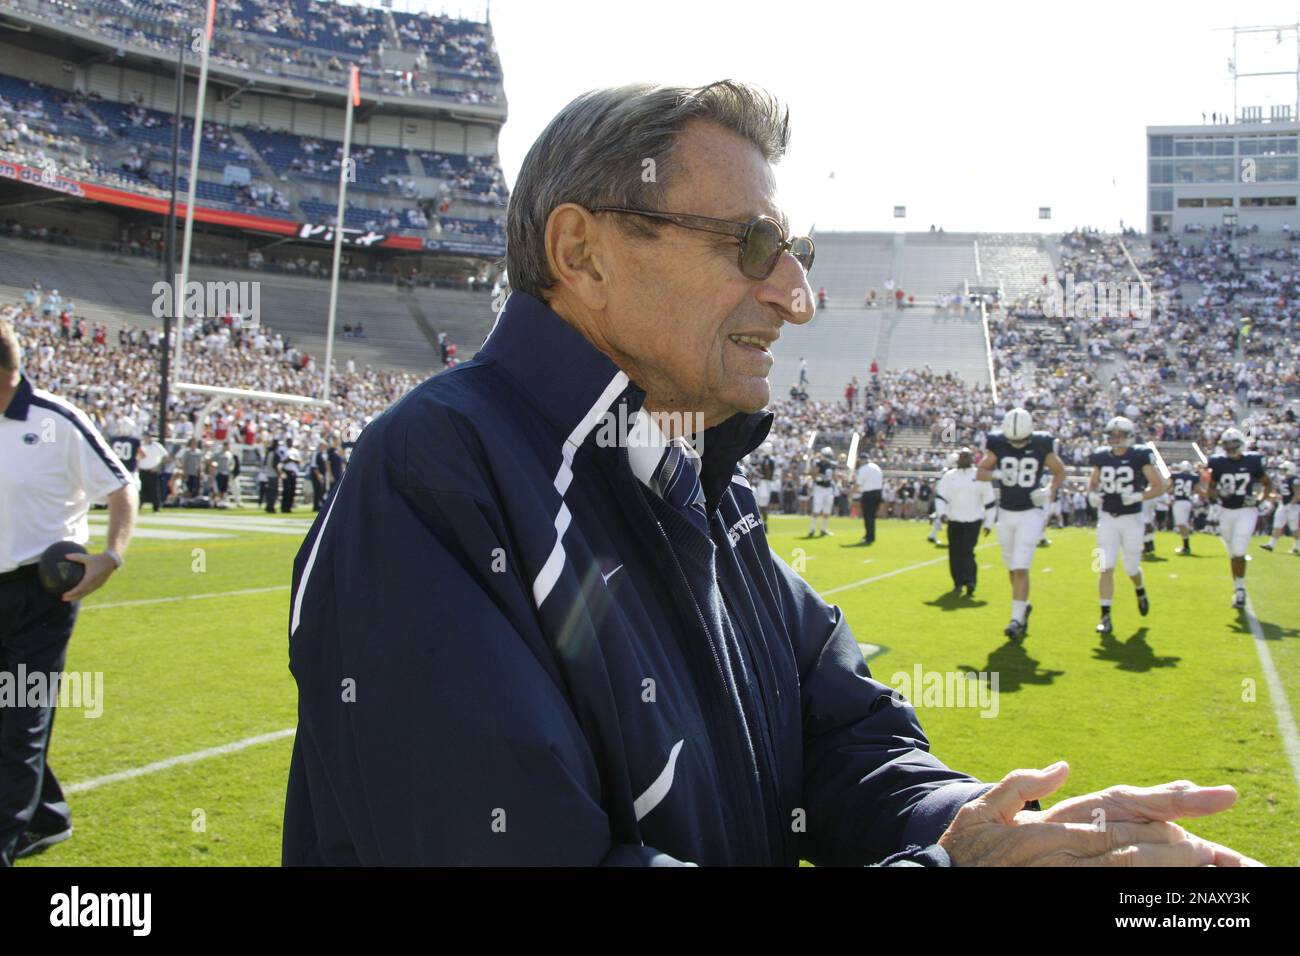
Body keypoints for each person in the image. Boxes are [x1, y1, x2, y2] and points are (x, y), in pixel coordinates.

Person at [282, 81, 1256, 868]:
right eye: (749, 244)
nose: (796, 295)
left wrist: (1002, 830)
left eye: (797, 251)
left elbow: (848, 742)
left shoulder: (702, 480)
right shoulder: (437, 472)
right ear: (582, 251)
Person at [0, 317, 137, 865]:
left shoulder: (58, 421)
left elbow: (122, 488)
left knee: (20, 724)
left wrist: (111, 557)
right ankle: (47, 815)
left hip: (43, 597)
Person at [976, 407, 1066, 640]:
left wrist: (1048, 490)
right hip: (1006, 512)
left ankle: (1016, 620)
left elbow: (1059, 472)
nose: (1016, 444)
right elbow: (981, 472)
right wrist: (996, 475)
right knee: (1011, 567)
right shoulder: (999, 444)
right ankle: (1022, 606)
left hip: (1030, 512)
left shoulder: (1041, 444)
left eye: (1021, 440)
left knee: (1020, 567)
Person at [1086, 417, 1166, 635]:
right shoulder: (1101, 456)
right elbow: (1093, 482)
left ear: (1129, 436)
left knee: (1131, 567)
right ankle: (1105, 616)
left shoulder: (1139, 455)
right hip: (1107, 519)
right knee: (1104, 566)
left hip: (1132, 520)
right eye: (1113, 435)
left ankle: (1139, 589)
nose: (1116, 439)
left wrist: (1138, 496)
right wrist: (1092, 494)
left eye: (1120, 435)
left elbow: (1159, 486)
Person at [1202, 427, 1271, 609]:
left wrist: (1259, 499)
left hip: (1246, 511)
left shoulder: (1252, 460)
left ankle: (1240, 591)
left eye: (1233, 444)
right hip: (1226, 511)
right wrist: (1216, 494)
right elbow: (1210, 489)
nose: (1230, 448)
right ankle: (1238, 586)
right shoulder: (1217, 462)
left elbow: (1266, 482)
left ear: (1241, 444)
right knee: (1234, 553)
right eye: (1227, 445)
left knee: (1239, 551)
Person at [933, 447, 995, 597]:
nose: (964, 459)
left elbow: (989, 500)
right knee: (954, 553)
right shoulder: (949, 476)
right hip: (954, 520)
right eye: (962, 457)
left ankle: (970, 581)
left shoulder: (980, 475)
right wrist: (941, 513)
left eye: (967, 457)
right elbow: (941, 497)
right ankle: (957, 582)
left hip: (973, 520)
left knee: (968, 551)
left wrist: (988, 523)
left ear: (972, 459)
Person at [1260, 461, 1298, 554]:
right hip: (1283, 504)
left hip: (1293, 506)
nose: (1282, 471)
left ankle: (1296, 547)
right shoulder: (1282, 479)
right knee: (1277, 525)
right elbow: (1280, 492)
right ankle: (1271, 545)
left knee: (1294, 528)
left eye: (1284, 469)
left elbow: (1298, 493)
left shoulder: (1295, 479)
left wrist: (1292, 503)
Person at [1169, 460, 1200, 555]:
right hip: (1187, 501)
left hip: (1179, 501)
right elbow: (1196, 490)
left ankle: (1186, 546)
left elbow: (1170, 487)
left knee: (1180, 523)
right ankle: (1186, 544)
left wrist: (1169, 494)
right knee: (1181, 523)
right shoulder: (1194, 477)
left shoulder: (1175, 475)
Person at [807, 445, 836, 537]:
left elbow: (833, 476)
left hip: (829, 489)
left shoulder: (832, 464)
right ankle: (812, 529)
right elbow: (813, 474)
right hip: (820, 488)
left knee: (827, 510)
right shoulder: (819, 463)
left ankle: (824, 529)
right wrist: (819, 478)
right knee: (816, 509)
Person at [856, 457, 882, 543]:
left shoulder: (863, 468)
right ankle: (870, 535)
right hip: (878, 492)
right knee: (872, 516)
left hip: (868, 493)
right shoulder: (876, 467)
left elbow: (859, 483)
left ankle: (869, 537)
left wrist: (852, 492)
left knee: (868, 516)